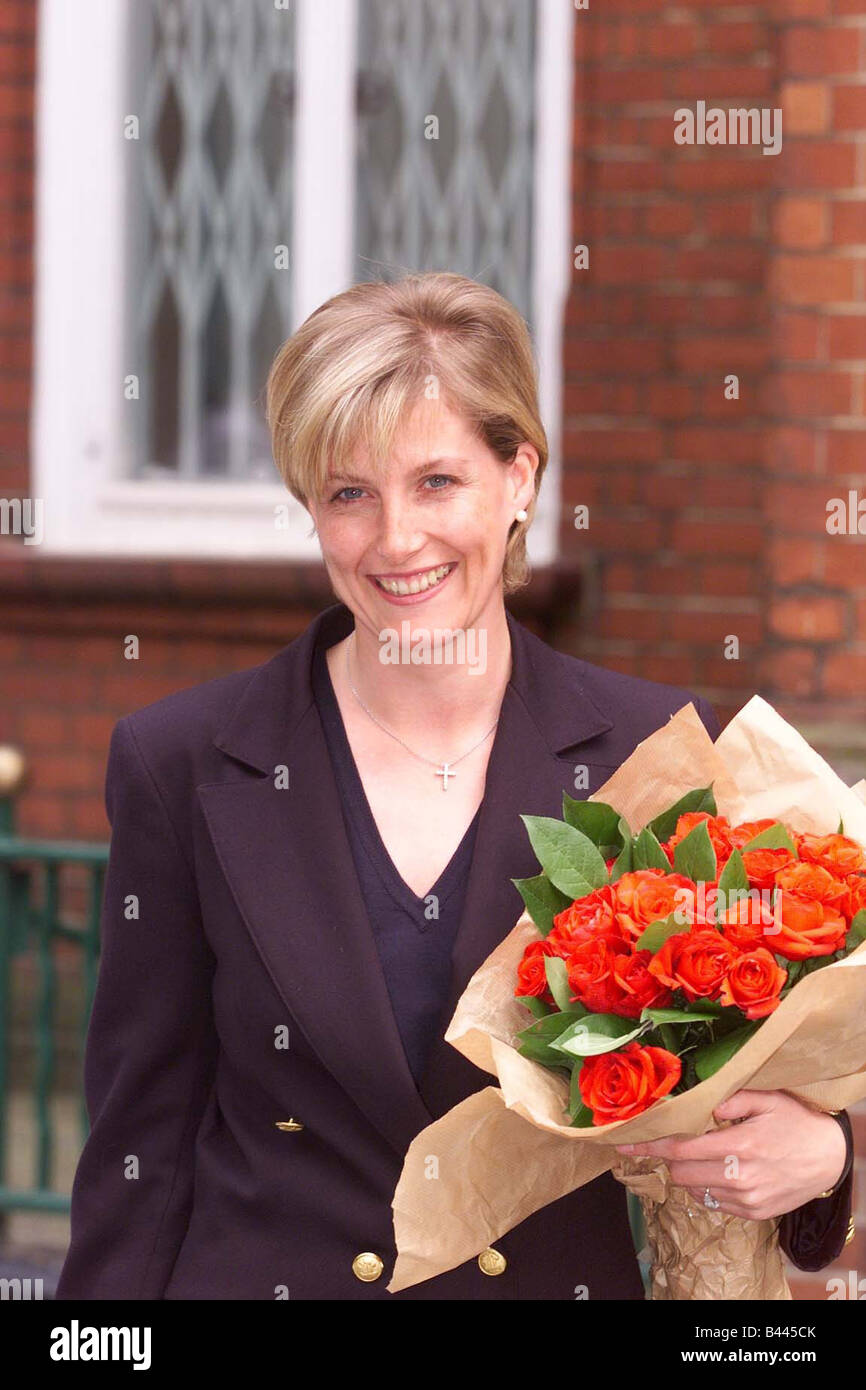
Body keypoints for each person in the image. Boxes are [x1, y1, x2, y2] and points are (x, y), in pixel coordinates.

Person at [56, 272, 853, 1300]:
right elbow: (139, 1150)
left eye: (436, 482)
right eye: (349, 493)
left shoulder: (653, 752)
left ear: (517, 476)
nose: (395, 539)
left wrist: (825, 1158)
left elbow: (745, 1069)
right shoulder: (184, 763)